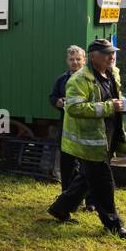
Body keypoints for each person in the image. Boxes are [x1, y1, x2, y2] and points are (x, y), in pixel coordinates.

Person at [47, 38, 126, 238]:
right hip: (87, 142)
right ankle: (114, 225)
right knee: (104, 182)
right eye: (107, 53)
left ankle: (60, 208)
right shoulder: (79, 80)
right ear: (93, 57)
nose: (111, 56)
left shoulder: (112, 73)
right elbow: (73, 108)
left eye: (112, 53)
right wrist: (109, 107)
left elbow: (115, 98)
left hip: (108, 135)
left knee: (87, 178)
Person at [50, 45, 90, 205]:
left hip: (86, 127)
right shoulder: (62, 79)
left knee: (87, 165)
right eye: (71, 59)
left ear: (84, 60)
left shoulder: (90, 79)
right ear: (67, 61)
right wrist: (57, 102)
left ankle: (90, 201)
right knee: (67, 164)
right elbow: (52, 97)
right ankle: (67, 196)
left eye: (78, 59)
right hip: (66, 126)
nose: (75, 62)